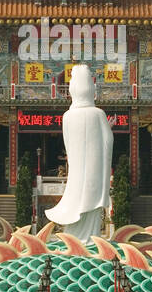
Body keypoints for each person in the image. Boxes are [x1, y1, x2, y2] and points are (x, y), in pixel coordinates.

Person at [47, 65, 114, 241]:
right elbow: (108, 142)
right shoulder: (99, 114)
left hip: (76, 171)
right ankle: (90, 239)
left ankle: (74, 238)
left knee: (77, 201)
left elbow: (68, 145)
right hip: (95, 171)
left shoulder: (67, 116)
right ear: (90, 88)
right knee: (91, 204)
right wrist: (108, 128)